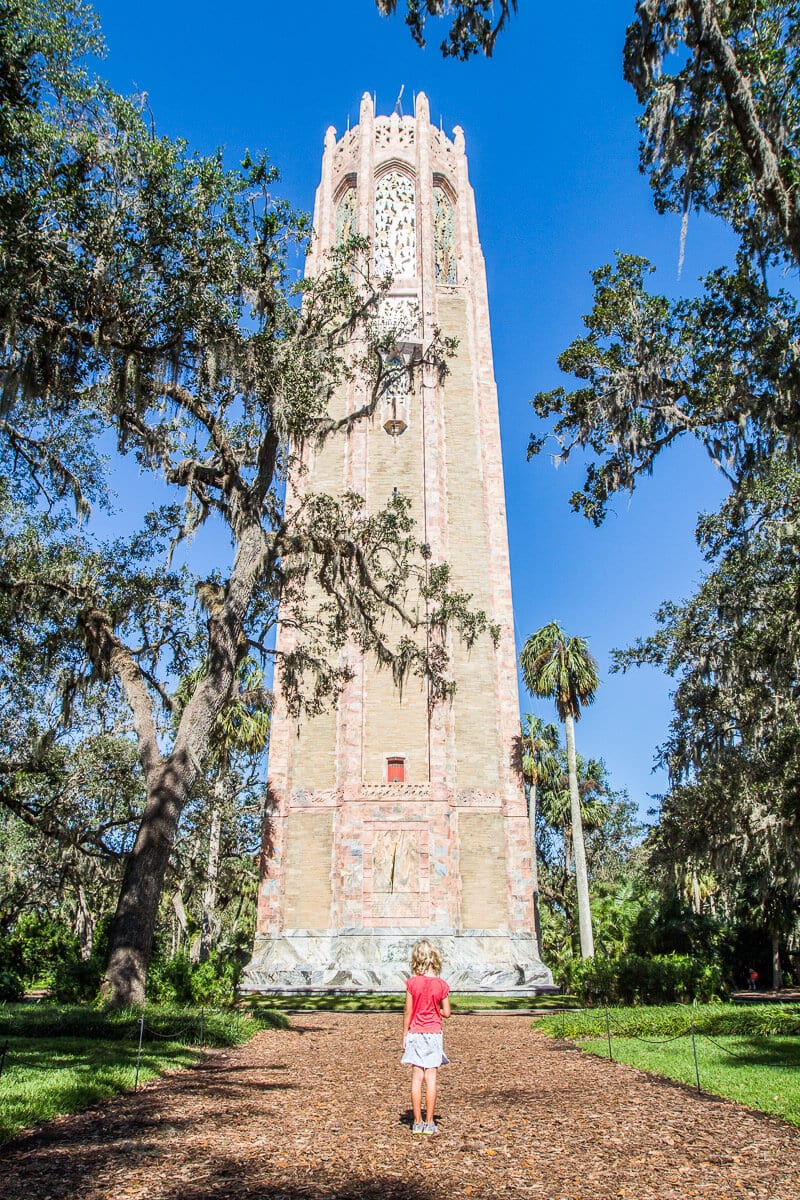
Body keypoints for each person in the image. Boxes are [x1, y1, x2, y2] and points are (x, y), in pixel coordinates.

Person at [401, 939, 451, 1135]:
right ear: (435, 959)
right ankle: (430, 1122)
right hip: (434, 1033)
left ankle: (417, 1122)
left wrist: (405, 1034)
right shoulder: (441, 985)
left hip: (415, 1033)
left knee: (416, 1078)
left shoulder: (412, 983)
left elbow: (407, 1011)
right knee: (431, 1078)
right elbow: (447, 1013)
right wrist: (435, 1008)